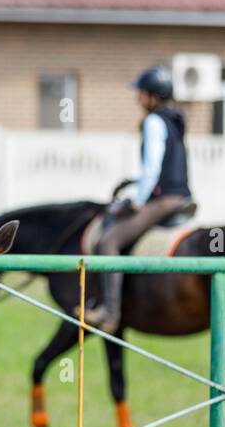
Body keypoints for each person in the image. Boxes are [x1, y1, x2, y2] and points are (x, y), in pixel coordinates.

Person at [81, 65, 194, 333]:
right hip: (178, 195)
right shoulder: (173, 119)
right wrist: (135, 184)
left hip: (164, 199)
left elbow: (152, 167)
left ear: (152, 95)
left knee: (109, 242)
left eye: (141, 93)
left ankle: (109, 312)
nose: (137, 98)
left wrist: (138, 200)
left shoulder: (154, 121)